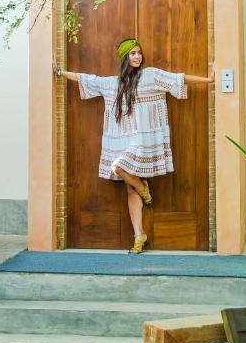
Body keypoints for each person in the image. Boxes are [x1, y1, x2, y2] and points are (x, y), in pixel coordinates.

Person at [56, 38, 213, 254]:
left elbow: (179, 80)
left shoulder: (151, 76)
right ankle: (139, 236)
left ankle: (143, 188)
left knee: (118, 167)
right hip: (121, 140)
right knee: (130, 188)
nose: (137, 57)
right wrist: (60, 73)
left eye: (139, 52)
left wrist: (210, 80)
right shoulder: (113, 84)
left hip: (142, 141)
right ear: (124, 58)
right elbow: (87, 80)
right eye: (132, 54)